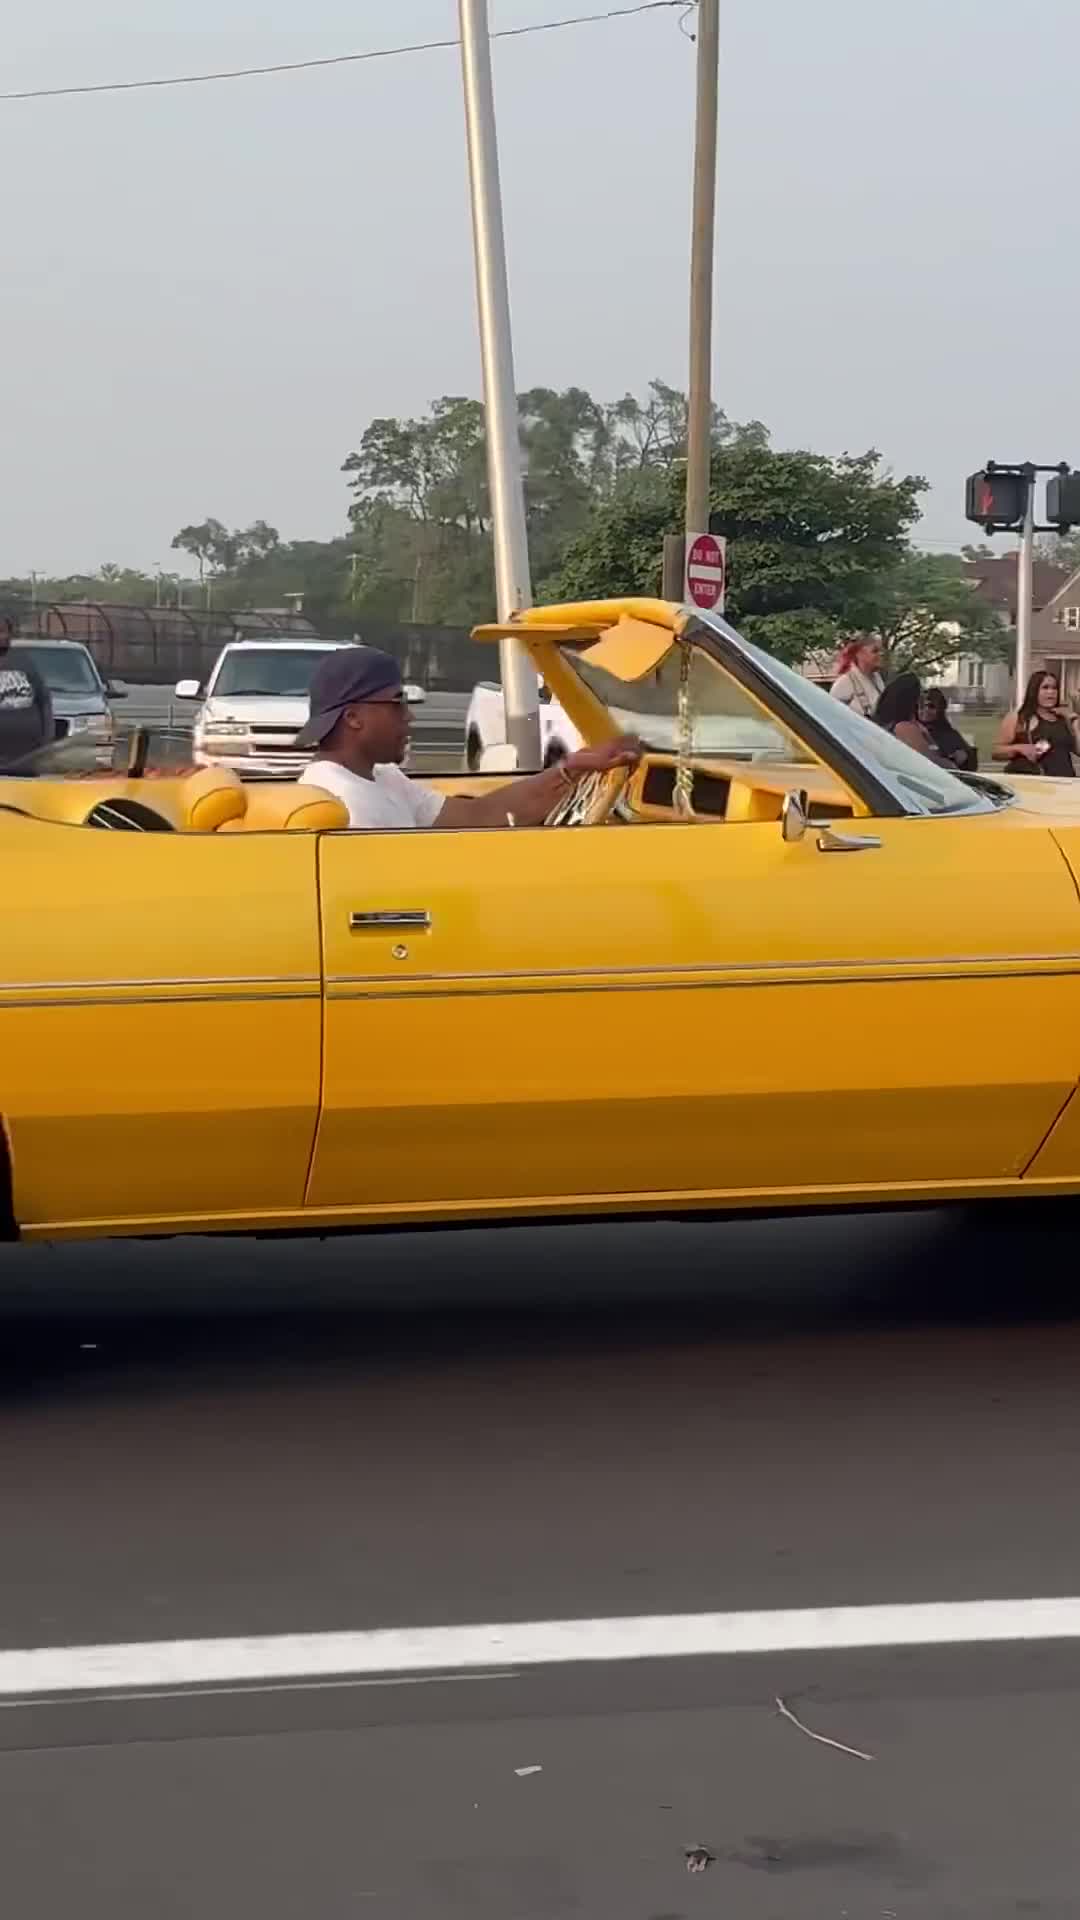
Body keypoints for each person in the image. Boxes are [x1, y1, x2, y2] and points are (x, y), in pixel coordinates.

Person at [296, 647, 641, 829]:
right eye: (397, 703)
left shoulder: (382, 778)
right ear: (353, 717)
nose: (409, 715)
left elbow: (478, 815)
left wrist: (572, 768)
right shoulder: (338, 803)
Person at [994, 670, 1079, 779]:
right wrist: (1019, 748)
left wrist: (1075, 721)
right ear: (1034, 691)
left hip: (1065, 785)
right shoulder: (1019, 718)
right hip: (1034, 784)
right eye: (1045, 687)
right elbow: (996, 751)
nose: (1051, 692)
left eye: (1054, 688)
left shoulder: (1063, 719)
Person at [0, 615, 53, 773]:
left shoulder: (23, 660)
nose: (2, 636)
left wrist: (47, 739)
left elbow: (44, 701)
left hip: (28, 755)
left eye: (3, 631)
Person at [873, 672, 950, 764]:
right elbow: (929, 763)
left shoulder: (882, 724)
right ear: (911, 700)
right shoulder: (904, 728)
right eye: (920, 697)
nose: (922, 703)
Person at [920, 688, 977, 771]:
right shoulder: (911, 730)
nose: (926, 710)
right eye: (922, 706)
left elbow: (966, 763)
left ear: (939, 709)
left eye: (931, 706)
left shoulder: (950, 735)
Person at [829, 636, 885, 718]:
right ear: (859, 654)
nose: (881, 654)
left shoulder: (878, 678)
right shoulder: (844, 682)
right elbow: (832, 716)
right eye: (875, 651)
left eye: (881, 651)